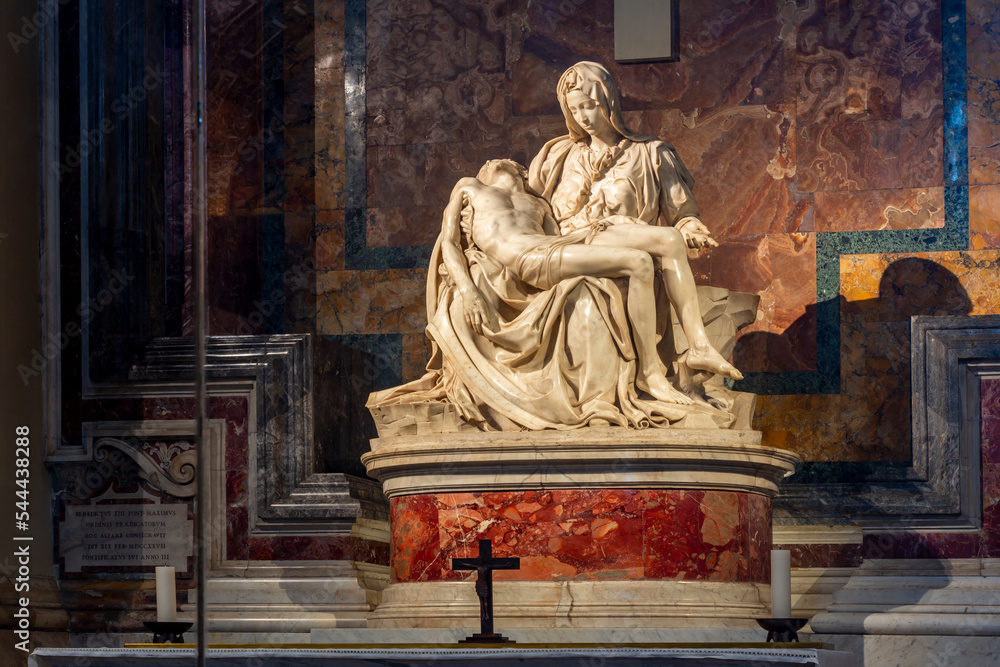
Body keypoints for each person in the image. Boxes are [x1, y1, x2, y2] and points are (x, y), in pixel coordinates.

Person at [528, 61, 740, 387]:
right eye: (574, 109)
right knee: (666, 241)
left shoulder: (652, 154)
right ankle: (698, 346)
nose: (583, 117)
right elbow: (527, 209)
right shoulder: (554, 156)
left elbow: (682, 214)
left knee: (668, 240)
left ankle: (696, 348)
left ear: (609, 101)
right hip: (564, 250)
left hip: (624, 245)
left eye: (589, 106)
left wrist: (689, 228)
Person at [441, 158, 691, 404]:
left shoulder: (539, 204)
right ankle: (649, 375)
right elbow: (448, 242)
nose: (492, 161)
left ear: (523, 173)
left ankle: (661, 366)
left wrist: (613, 222)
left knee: (652, 253)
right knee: (638, 263)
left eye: (507, 160)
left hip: (552, 248)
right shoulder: (470, 186)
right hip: (529, 258)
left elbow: (561, 238)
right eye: (487, 162)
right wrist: (467, 289)